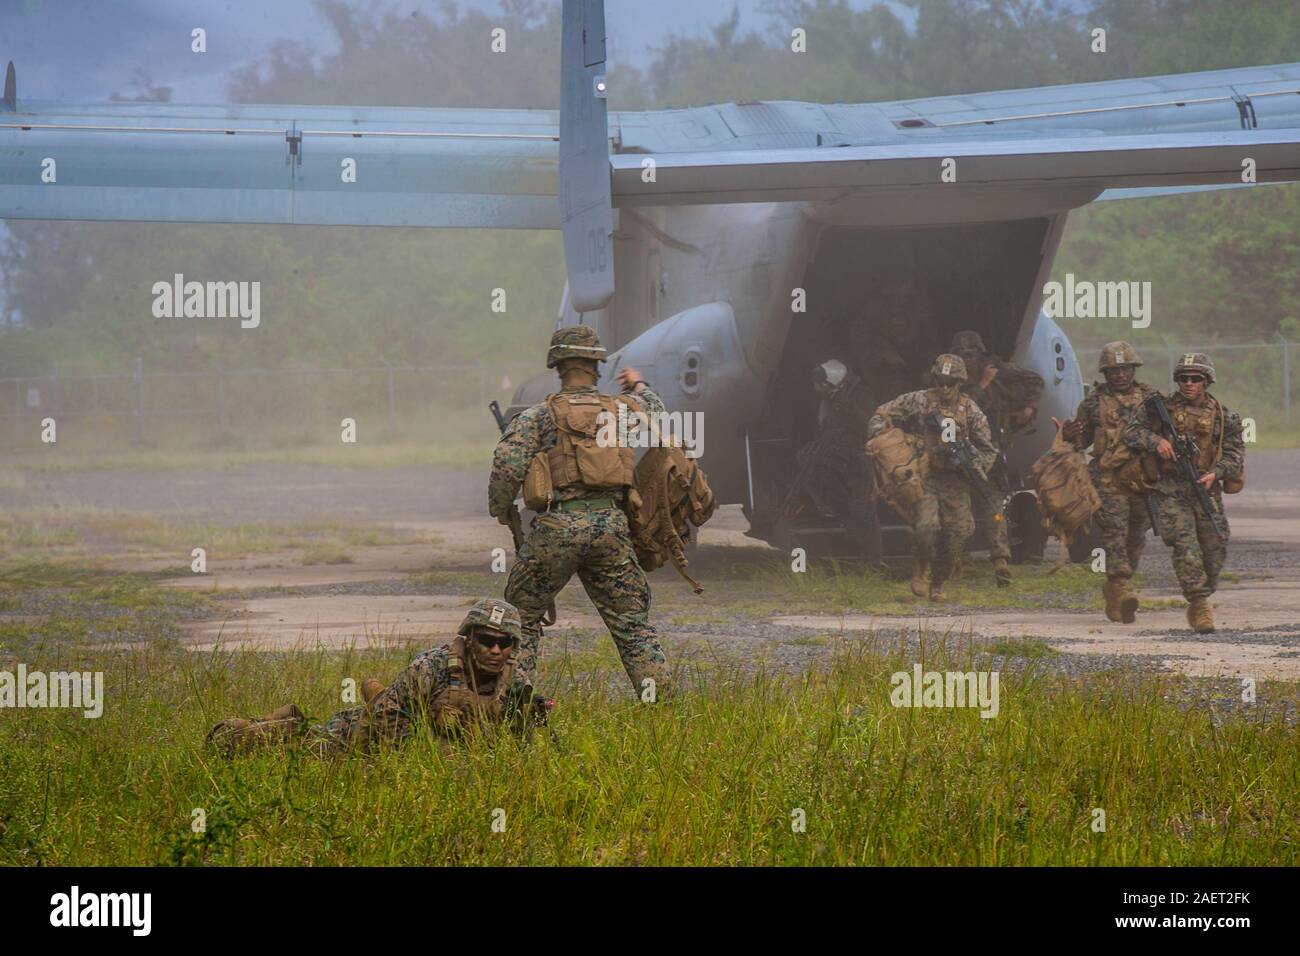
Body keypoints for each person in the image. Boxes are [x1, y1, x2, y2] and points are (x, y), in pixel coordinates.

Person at [490, 325, 672, 701]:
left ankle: (516, 709)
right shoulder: (620, 409)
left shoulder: (540, 416)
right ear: (596, 365)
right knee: (632, 626)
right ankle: (663, 707)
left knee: (521, 620)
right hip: (611, 528)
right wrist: (638, 384)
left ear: (557, 366)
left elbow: (506, 469)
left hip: (557, 528)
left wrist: (501, 507)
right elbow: (657, 410)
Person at [206, 598, 549, 756]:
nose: (495, 650)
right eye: (487, 641)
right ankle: (265, 728)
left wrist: (529, 721)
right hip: (357, 738)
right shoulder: (432, 666)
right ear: (470, 639)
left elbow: (514, 741)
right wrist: (423, 759)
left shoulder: (514, 680)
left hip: (436, 749)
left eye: (505, 644)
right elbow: (385, 717)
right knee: (293, 751)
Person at [1120, 353, 1244, 633]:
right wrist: (1156, 441)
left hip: (1205, 487)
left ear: (1207, 381)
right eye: (1183, 379)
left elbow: (1236, 454)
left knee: (1216, 545)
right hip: (1170, 489)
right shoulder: (1157, 409)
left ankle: (1203, 589)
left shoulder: (1224, 417)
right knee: (1185, 545)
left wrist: (1217, 472)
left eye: (1195, 379)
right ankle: (1199, 604)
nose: (1188, 384)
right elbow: (1130, 433)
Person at [867, 353, 997, 600]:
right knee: (926, 526)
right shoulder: (919, 400)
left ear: (960, 383)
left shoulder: (971, 411)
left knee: (958, 534)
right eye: (940, 381)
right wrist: (879, 437)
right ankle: (922, 570)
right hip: (925, 474)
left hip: (956, 481)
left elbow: (988, 450)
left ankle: (938, 582)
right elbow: (883, 412)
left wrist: (973, 466)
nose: (944, 387)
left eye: (950, 383)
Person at [1059, 342, 1159, 624]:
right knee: (1115, 531)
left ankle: (1114, 589)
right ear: (1105, 373)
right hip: (1108, 477)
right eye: (1113, 371)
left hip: (1141, 477)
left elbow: (1166, 431)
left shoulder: (1151, 397)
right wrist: (1070, 434)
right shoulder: (1092, 402)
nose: (1119, 375)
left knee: (1137, 535)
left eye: (1124, 369)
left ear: (1133, 369)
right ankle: (1121, 586)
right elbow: (1083, 441)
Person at [950, 330, 1045, 586]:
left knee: (993, 508)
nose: (967, 359)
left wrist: (1029, 408)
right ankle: (955, 561)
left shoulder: (996, 370)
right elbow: (963, 407)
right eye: (961, 355)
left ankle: (1001, 560)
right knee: (957, 509)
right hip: (957, 453)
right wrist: (983, 382)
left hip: (988, 453)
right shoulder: (951, 378)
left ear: (980, 354)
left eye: (971, 354)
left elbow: (1034, 381)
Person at [788, 359, 877, 551]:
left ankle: (871, 556)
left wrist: (844, 402)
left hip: (859, 455)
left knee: (862, 506)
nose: (817, 389)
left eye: (821, 385)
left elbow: (866, 427)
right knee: (807, 460)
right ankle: (836, 513)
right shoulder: (829, 400)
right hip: (836, 453)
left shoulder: (862, 395)